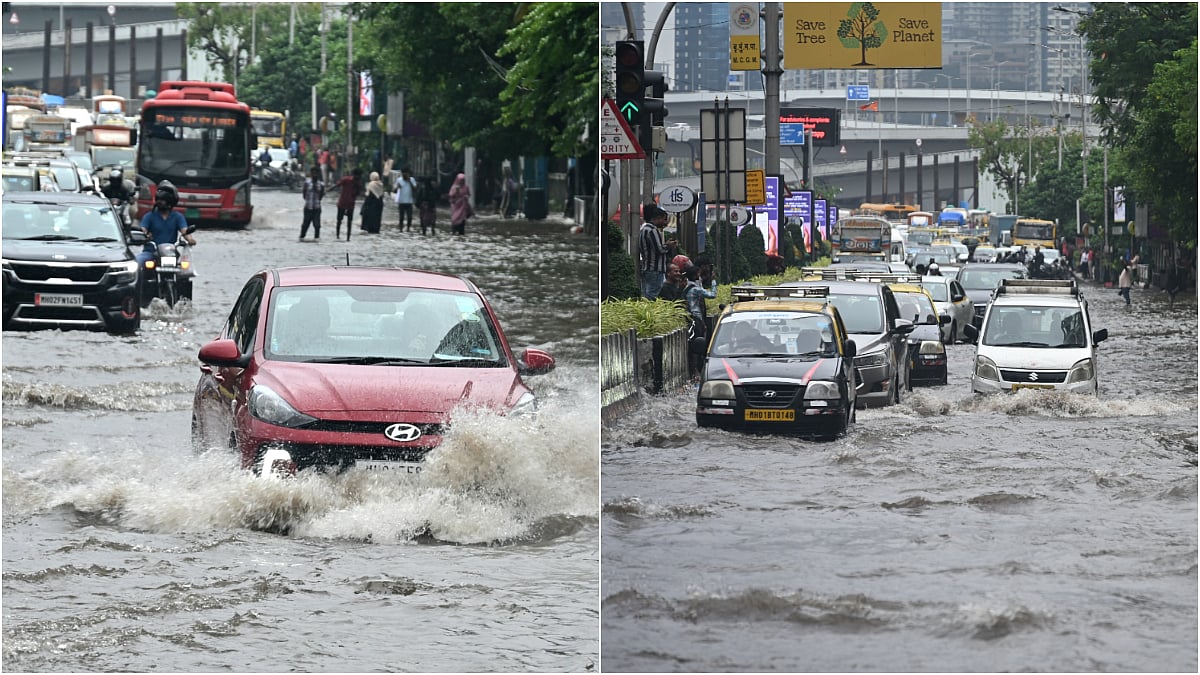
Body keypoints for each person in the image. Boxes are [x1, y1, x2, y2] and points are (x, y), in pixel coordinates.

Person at [136, 181, 195, 268]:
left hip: (170, 253)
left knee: (184, 269)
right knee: (137, 262)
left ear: (170, 202)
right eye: (158, 200)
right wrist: (144, 235)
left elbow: (185, 231)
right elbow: (143, 229)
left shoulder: (177, 217)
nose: (159, 202)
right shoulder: (149, 216)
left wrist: (190, 240)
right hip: (151, 253)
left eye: (162, 200)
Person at [683, 265, 719, 377]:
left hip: (689, 318)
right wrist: (713, 281)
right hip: (697, 318)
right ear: (695, 275)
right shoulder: (695, 289)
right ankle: (696, 370)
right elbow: (712, 295)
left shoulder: (686, 287)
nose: (700, 277)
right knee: (698, 346)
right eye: (699, 274)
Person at [638, 204, 670, 299]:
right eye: (663, 219)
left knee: (646, 293)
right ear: (657, 218)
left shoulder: (644, 229)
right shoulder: (652, 230)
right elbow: (659, 249)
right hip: (655, 269)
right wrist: (669, 246)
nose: (664, 222)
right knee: (652, 295)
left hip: (647, 268)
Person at [334, 167, 363, 240]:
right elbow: (337, 185)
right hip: (342, 203)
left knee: (349, 222)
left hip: (350, 205)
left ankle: (348, 238)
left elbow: (358, 193)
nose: (358, 177)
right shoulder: (346, 180)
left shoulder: (358, 184)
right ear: (354, 175)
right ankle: (337, 236)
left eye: (359, 176)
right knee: (339, 220)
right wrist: (327, 190)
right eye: (357, 176)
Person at [299, 166, 324, 241]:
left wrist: (316, 190)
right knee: (305, 225)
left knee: (317, 225)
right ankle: (301, 237)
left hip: (316, 208)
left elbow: (321, 197)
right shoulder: (307, 183)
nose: (314, 175)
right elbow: (304, 195)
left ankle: (316, 238)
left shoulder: (321, 184)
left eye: (316, 173)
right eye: (313, 173)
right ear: (311, 174)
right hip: (308, 207)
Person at [393, 167, 416, 232]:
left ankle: (408, 228)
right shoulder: (399, 180)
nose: (404, 175)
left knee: (409, 217)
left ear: (408, 173)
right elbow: (394, 191)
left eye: (406, 173)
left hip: (409, 202)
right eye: (403, 173)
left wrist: (410, 181)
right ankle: (400, 229)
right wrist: (397, 187)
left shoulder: (412, 179)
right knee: (401, 218)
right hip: (401, 202)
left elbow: (415, 189)